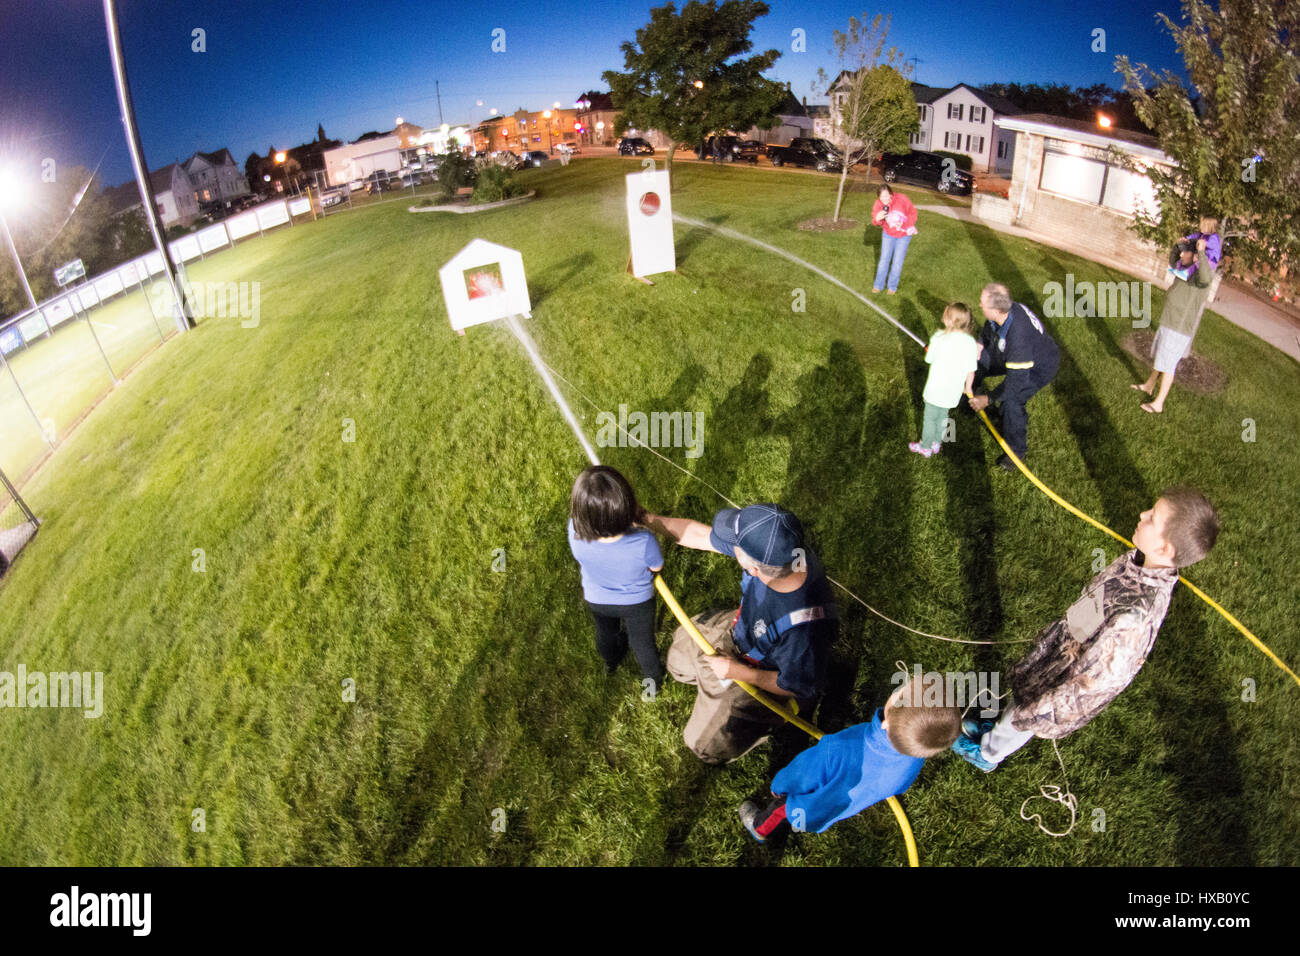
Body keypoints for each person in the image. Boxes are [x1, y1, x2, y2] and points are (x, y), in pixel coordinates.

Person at [952, 488, 1219, 771]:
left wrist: (1044, 711)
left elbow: (1098, 683)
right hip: (1063, 649)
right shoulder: (1138, 561)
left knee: (1023, 716)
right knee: (1021, 697)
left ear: (1164, 549)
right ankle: (998, 729)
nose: (1143, 514)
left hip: (1063, 683)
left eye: (1153, 518)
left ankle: (988, 753)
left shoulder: (1136, 618)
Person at [640, 504, 838, 765]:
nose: (727, 544)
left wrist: (737, 672)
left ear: (753, 568)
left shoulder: (804, 632)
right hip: (739, 631)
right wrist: (645, 517)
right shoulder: (782, 555)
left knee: (702, 746)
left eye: (735, 545)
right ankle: (712, 684)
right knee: (676, 662)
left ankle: (760, 720)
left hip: (761, 672)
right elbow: (700, 536)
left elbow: (793, 684)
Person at [737, 674, 961, 842]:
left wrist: (780, 784)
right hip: (842, 807)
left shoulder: (840, 747)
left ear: (886, 723)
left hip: (808, 807)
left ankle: (760, 829)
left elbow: (803, 773)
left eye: (900, 691)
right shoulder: (913, 760)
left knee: (780, 809)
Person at [567, 466, 666, 691]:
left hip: (597, 599)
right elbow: (657, 566)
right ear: (628, 506)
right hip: (637, 604)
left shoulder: (574, 530)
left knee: (606, 633)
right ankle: (653, 681)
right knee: (642, 643)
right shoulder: (643, 540)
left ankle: (611, 662)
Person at [969, 282, 1060, 470]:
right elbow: (989, 325)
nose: (979, 305)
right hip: (1011, 353)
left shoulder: (1019, 336)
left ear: (996, 309)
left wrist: (989, 398)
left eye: (982, 303)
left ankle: (1016, 452)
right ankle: (969, 399)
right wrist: (980, 343)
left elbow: (1016, 381)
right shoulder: (1004, 312)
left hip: (1038, 366)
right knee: (981, 360)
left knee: (1012, 401)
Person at [1132, 217, 1219, 414]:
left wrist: (1203, 254)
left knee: (1168, 363)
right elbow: (1173, 260)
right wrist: (1178, 245)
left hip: (1179, 326)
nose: (1182, 255)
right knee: (1163, 356)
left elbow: (1207, 276)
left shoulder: (1201, 277)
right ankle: (1149, 385)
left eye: (1186, 253)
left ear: (1194, 257)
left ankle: (1158, 403)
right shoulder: (1184, 271)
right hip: (1170, 320)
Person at [909, 302, 980, 458]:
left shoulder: (938, 337)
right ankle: (937, 443)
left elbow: (929, 359)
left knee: (929, 419)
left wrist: (931, 348)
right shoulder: (970, 343)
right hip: (953, 393)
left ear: (948, 320)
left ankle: (926, 447)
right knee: (943, 417)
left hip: (935, 390)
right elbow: (971, 371)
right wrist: (968, 388)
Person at [870, 184, 918, 295]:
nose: (884, 199)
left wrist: (905, 223)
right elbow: (877, 222)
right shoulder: (878, 204)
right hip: (888, 234)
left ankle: (892, 287)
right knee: (884, 260)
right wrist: (877, 218)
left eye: (886, 196)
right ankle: (878, 285)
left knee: (897, 262)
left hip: (903, 235)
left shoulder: (902, 199)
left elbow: (913, 213)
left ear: (891, 194)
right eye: (882, 197)